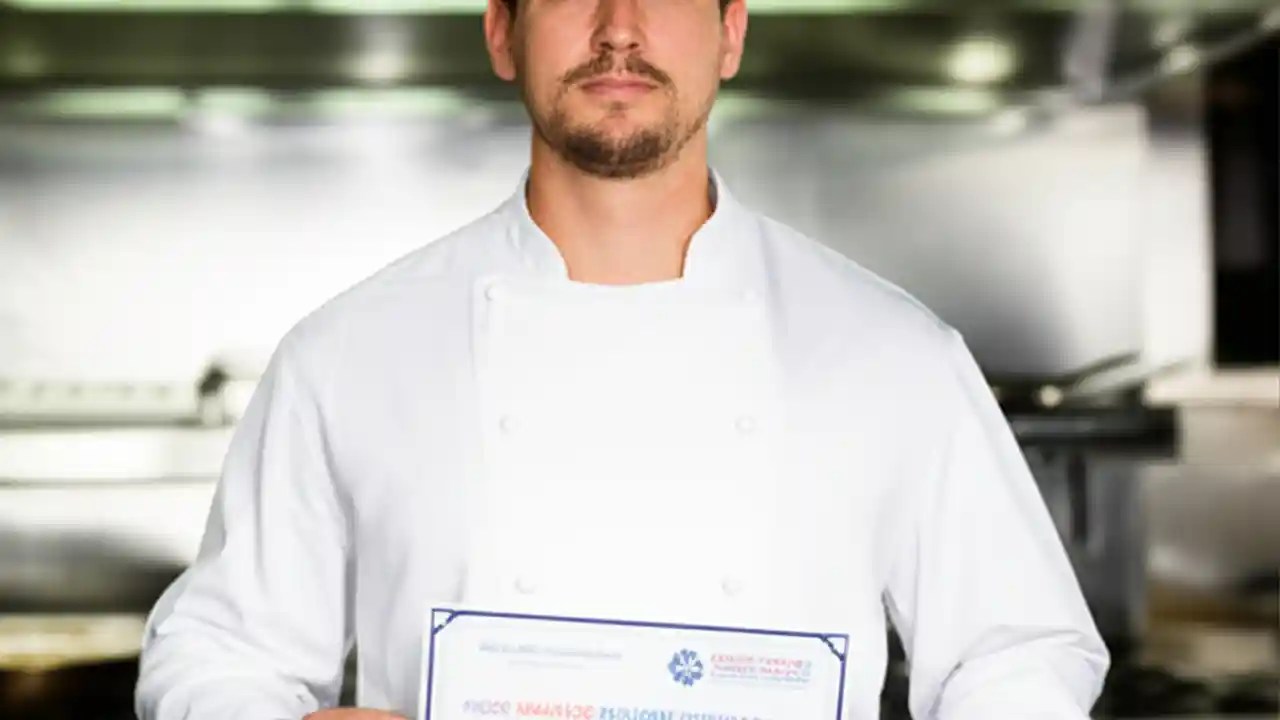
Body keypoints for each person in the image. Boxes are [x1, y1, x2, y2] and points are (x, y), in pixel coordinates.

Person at [135, 0, 1110, 718]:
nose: (618, 27)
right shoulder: (345, 357)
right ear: (499, 30)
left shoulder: (893, 356)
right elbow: (217, 656)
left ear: (730, 32)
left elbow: (1017, 653)